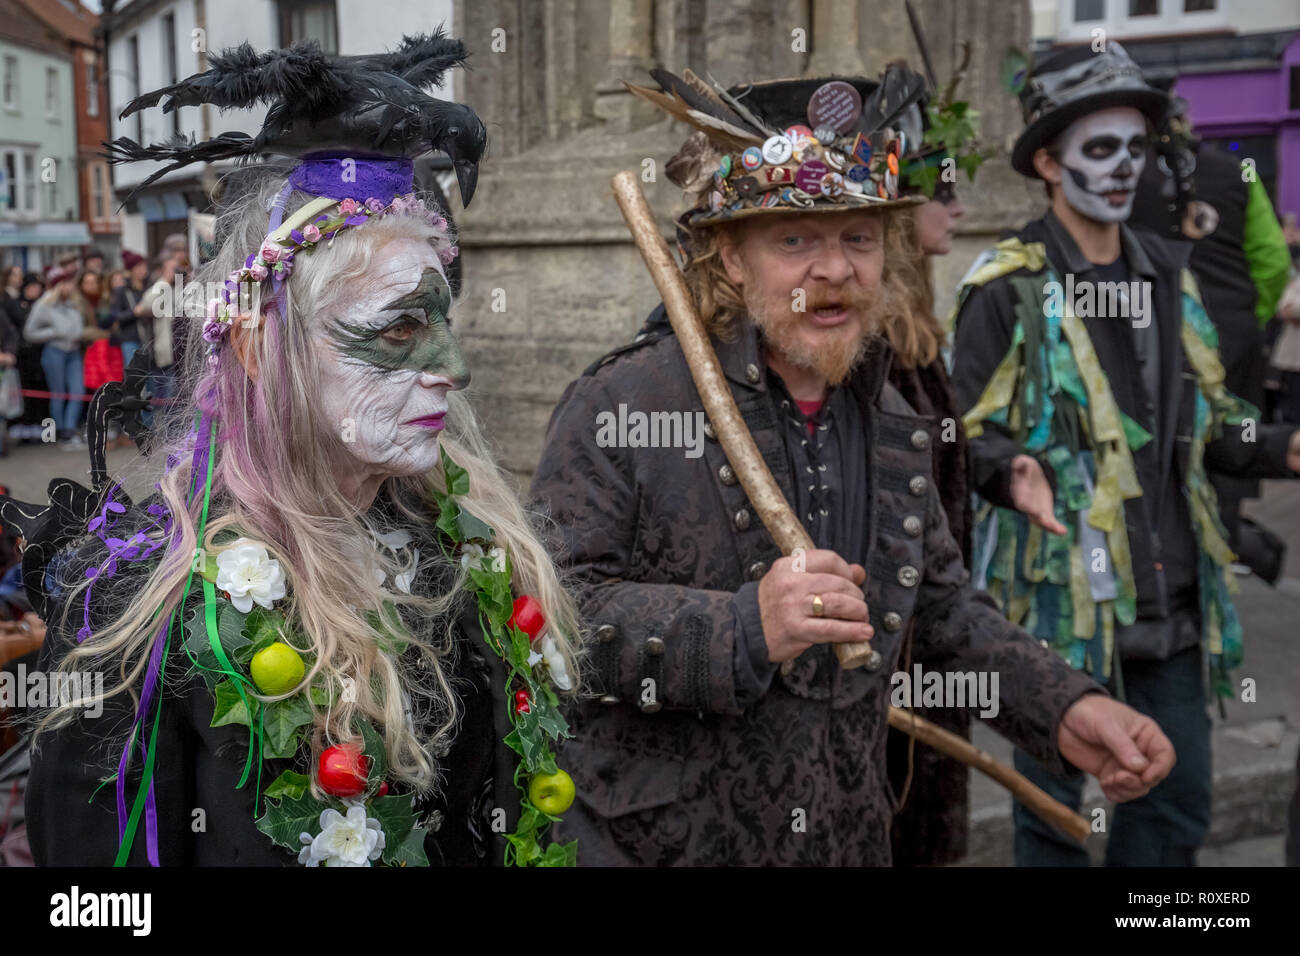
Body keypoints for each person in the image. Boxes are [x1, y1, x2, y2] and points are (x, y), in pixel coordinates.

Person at [531, 68, 1175, 866]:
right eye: (795, 240)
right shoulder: (619, 403)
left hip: (846, 837)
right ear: (731, 256)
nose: (834, 270)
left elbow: (941, 609)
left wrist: (1065, 706)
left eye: (858, 237)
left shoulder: (892, 420)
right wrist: (740, 628)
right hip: (659, 846)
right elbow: (551, 624)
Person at [5, 32, 584, 869]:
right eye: (400, 328)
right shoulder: (136, 607)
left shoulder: (465, 552)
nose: (453, 368)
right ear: (256, 346)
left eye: (444, 321)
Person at [950, 42, 1300, 866]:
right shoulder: (1006, 288)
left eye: (1135, 149)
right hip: (1056, 618)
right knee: (1056, 822)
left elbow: (1212, 429)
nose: (1123, 168)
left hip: (1170, 606)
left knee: (1175, 814)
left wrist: (1284, 450)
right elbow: (961, 436)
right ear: (1048, 160)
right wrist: (1008, 470)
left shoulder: (1167, 279)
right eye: (1100, 148)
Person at [873, 61, 979, 868]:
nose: (959, 207)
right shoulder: (866, 347)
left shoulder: (919, 336)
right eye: (942, 191)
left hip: (937, 636)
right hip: (881, 657)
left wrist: (1005, 476)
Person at [23, 267, 91, 444]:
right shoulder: (44, 305)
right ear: (58, 285)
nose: (70, 286)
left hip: (74, 351)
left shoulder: (73, 302)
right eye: (66, 283)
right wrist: (52, 332)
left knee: (77, 391)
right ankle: (60, 431)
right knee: (58, 393)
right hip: (55, 352)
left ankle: (69, 428)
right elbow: (29, 332)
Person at [109, 250, 150, 369]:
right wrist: (134, 312)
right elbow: (115, 315)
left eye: (144, 266)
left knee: (150, 378)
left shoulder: (149, 287)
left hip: (148, 337)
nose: (143, 269)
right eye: (139, 266)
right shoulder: (122, 290)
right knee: (134, 375)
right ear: (131, 270)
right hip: (130, 338)